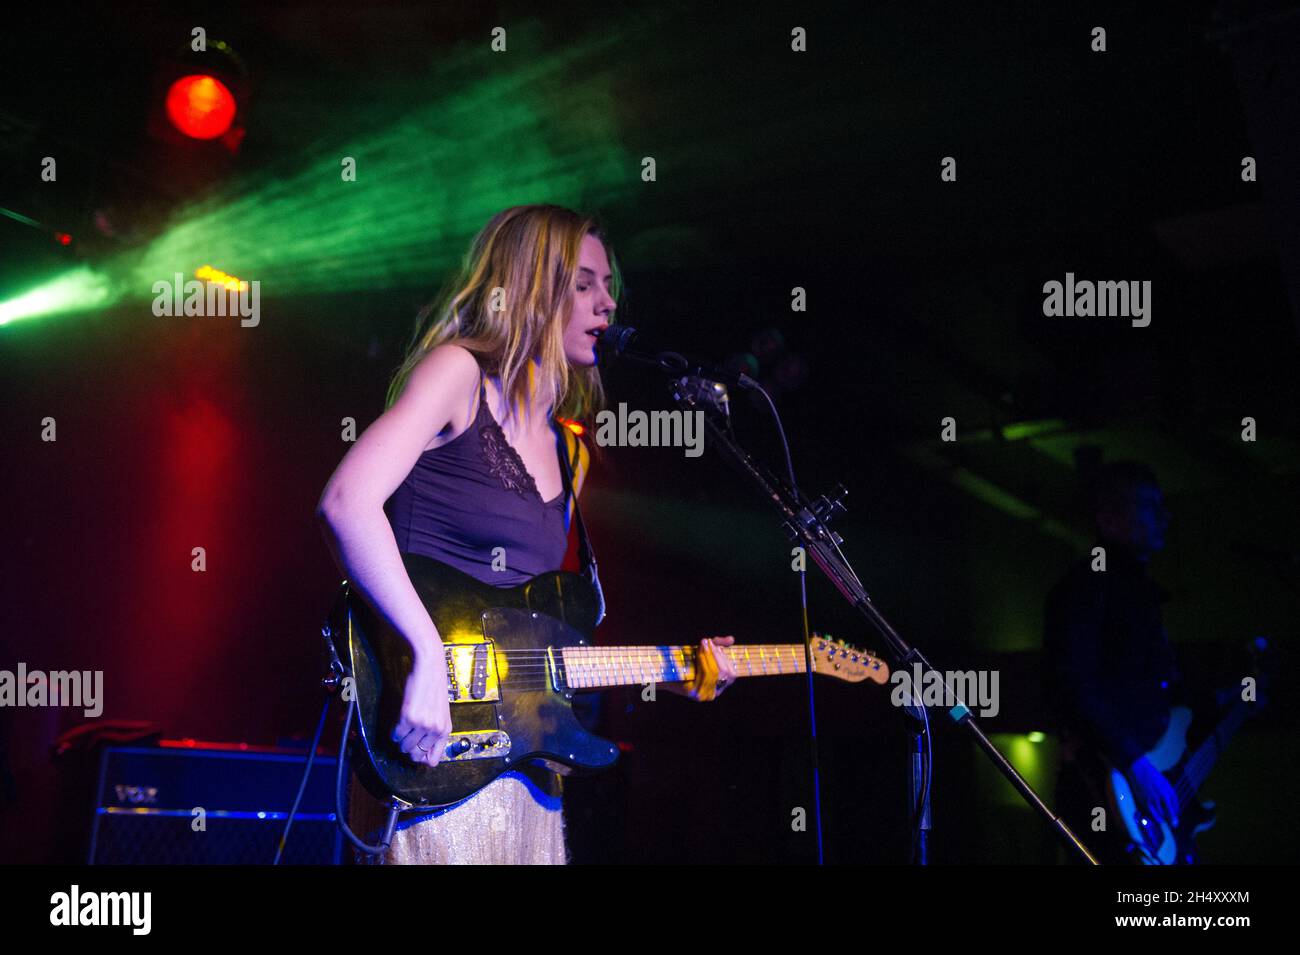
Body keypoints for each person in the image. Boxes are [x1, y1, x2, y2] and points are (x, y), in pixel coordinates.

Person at [316, 204, 738, 864]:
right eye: (586, 283)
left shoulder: (572, 453)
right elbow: (347, 502)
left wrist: (673, 669)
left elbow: (534, 642)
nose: (609, 303)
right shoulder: (456, 375)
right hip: (431, 748)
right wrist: (426, 653)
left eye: (610, 285)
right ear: (532, 285)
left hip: (527, 779)